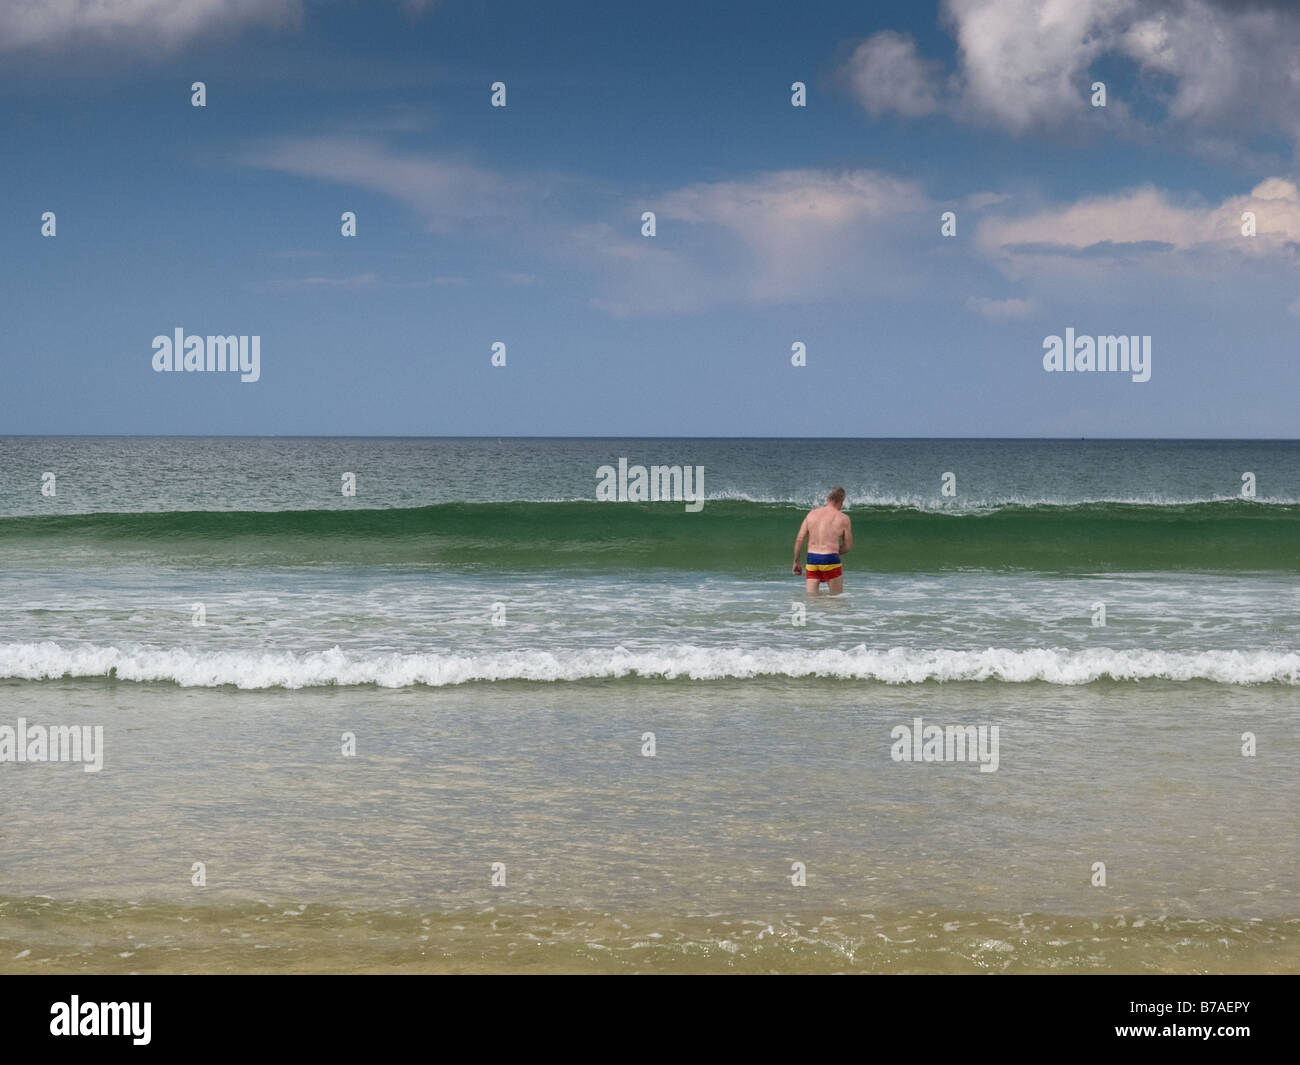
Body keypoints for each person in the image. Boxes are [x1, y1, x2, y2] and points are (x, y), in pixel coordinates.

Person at [792, 487, 852, 595]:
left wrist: (796, 561)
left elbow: (799, 539)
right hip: (830, 559)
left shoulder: (811, 514)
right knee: (836, 600)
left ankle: (817, 613)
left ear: (828, 499)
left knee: (812, 599)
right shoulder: (843, 518)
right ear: (841, 502)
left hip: (812, 559)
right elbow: (847, 547)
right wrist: (832, 552)